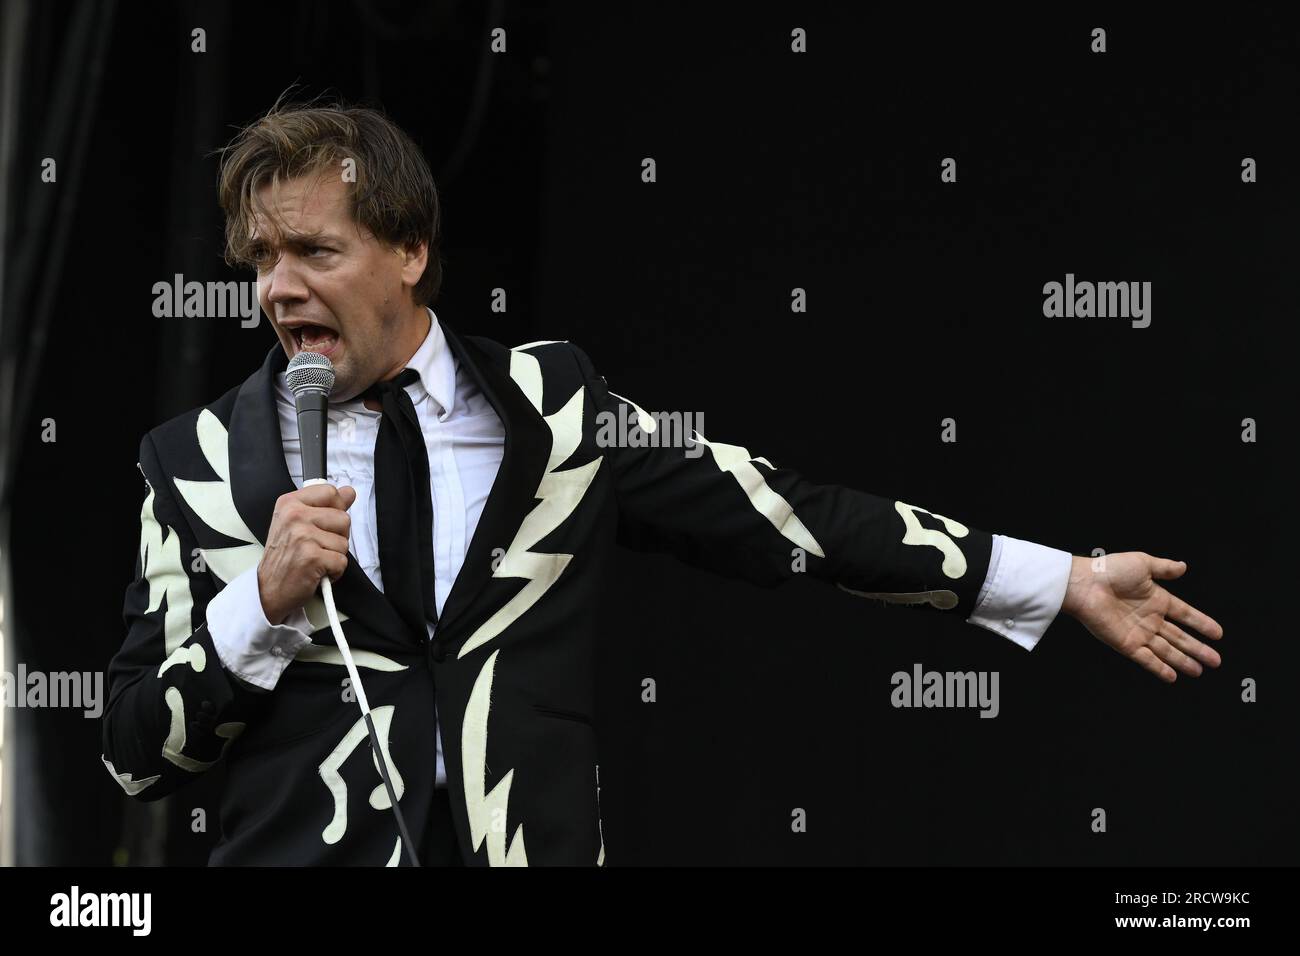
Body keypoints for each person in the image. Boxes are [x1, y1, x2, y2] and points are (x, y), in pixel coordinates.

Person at [100, 99, 1224, 866]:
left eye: (314, 252)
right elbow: (136, 752)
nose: (279, 288)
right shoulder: (194, 462)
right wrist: (258, 606)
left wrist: (1051, 579)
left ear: (409, 252)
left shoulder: (554, 407)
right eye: (259, 260)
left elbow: (784, 515)